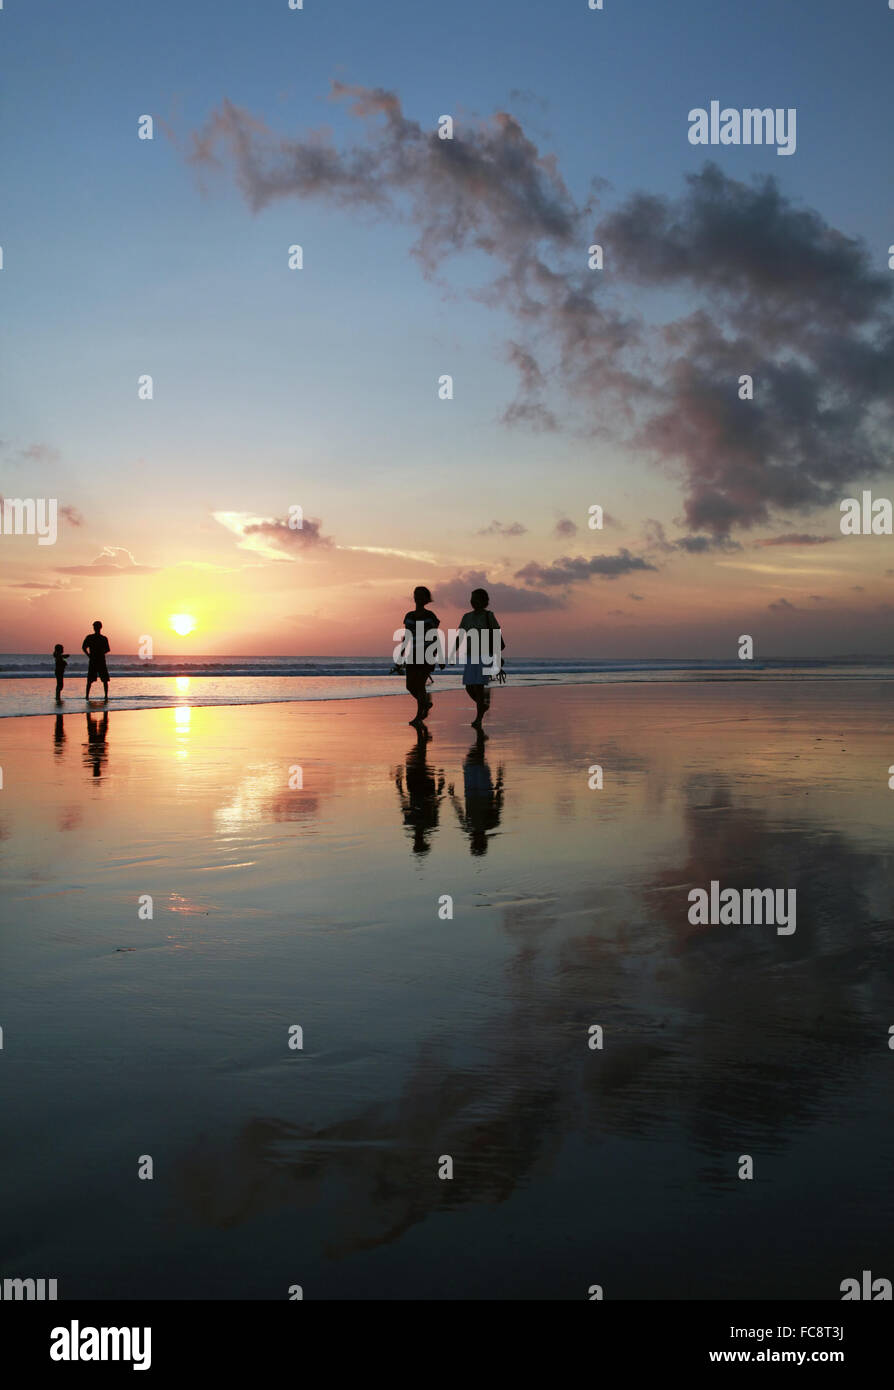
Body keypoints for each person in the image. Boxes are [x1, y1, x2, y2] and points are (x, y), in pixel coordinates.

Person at [457, 588, 504, 731]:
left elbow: (496, 636)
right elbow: (460, 635)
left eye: (476, 598)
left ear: (484, 601)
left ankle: (478, 718)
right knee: (468, 686)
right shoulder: (466, 617)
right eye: (471, 598)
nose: (473, 601)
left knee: (478, 687)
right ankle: (482, 705)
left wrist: (497, 658)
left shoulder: (489, 616)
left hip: (485, 654)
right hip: (470, 655)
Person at [401, 586, 444, 726]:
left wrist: (440, 657)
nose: (417, 598)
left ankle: (419, 717)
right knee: (410, 686)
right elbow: (406, 635)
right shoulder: (409, 616)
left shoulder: (430, 616)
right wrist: (402, 651)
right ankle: (425, 703)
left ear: (426, 599)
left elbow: (435, 636)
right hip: (413, 654)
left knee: (420, 686)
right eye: (415, 595)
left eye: (420, 595)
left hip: (428, 653)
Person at [82, 619, 110, 700]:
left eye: (96, 627)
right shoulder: (91, 637)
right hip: (95, 660)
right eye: (95, 627)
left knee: (103, 680)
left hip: (98, 660)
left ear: (100, 627)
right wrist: (89, 655)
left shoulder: (102, 638)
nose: (95, 628)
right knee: (92, 679)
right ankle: (88, 696)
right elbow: (84, 647)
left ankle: (105, 696)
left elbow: (107, 649)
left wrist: (91, 655)